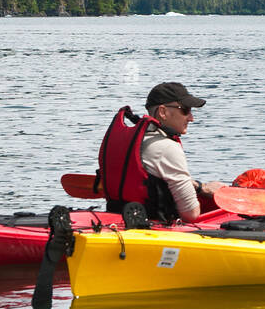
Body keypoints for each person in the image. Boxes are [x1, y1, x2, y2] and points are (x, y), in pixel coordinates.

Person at [95, 82, 224, 223]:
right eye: (185, 110)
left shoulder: (127, 141)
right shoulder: (167, 148)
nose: (191, 118)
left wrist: (198, 187)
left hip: (118, 217)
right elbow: (191, 214)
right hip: (152, 225)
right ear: (163, 112)